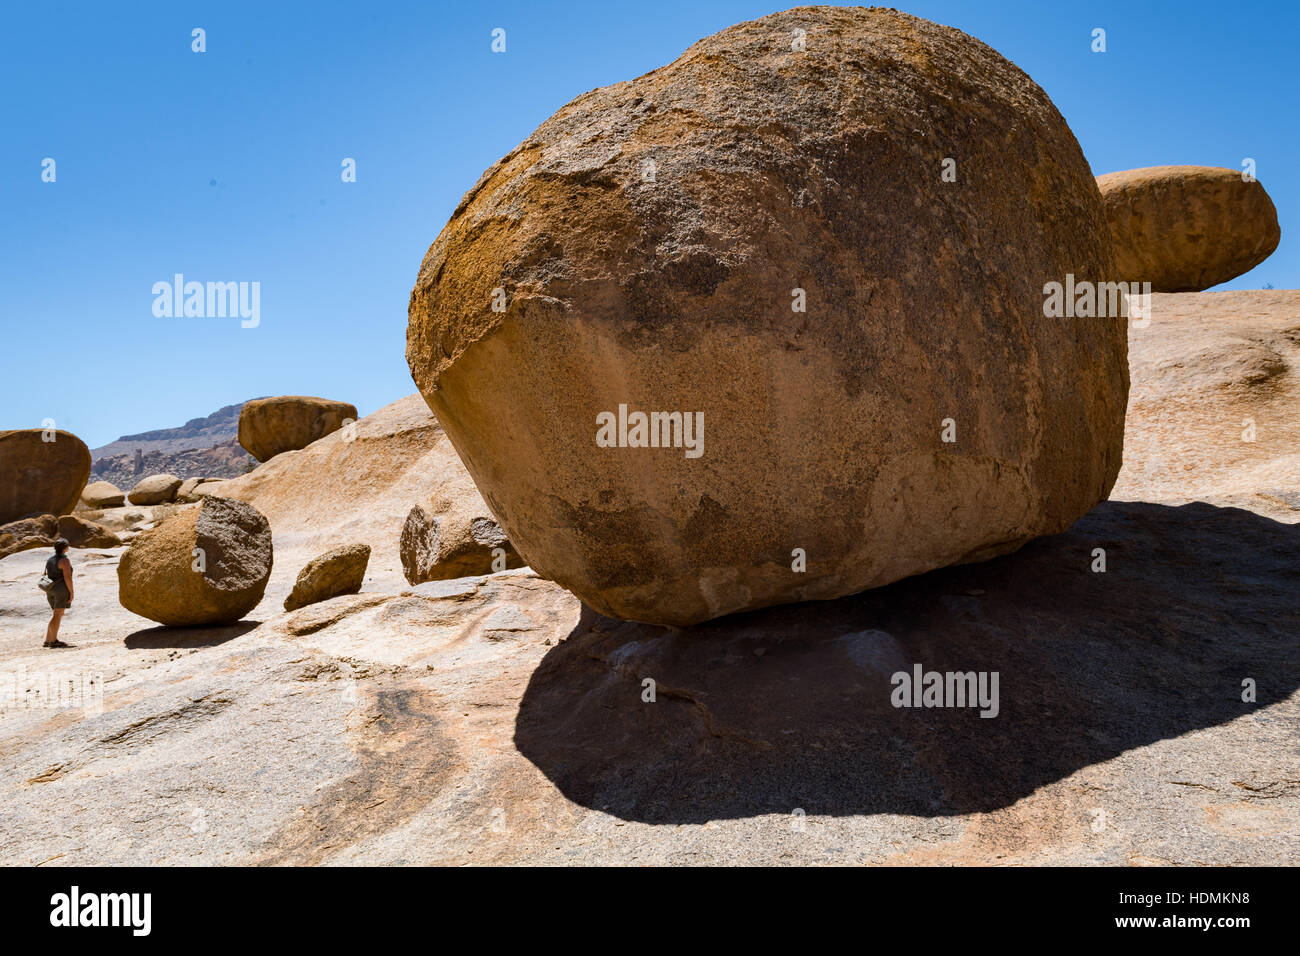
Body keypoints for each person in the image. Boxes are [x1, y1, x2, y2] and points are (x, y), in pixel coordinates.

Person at [43, 538, 73, 648]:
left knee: (57, 614)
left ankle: (49, 639)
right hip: (61, 590)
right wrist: (71, 593)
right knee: (57, 615)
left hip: (50, 589)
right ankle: (52, 641)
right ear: (65, 548)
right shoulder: (65, 561)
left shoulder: (50, 559)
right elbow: (68, 578)